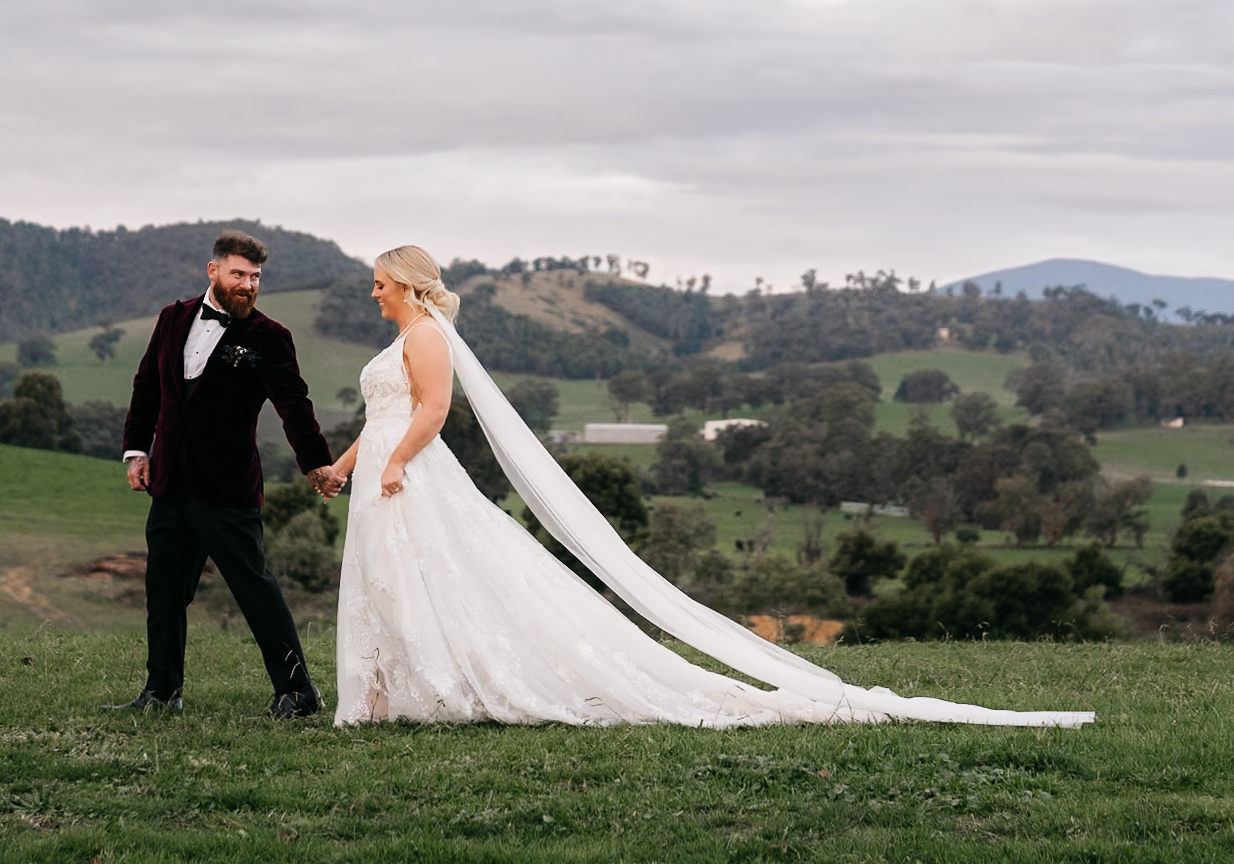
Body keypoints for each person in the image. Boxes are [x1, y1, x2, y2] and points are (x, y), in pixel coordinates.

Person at [322, 245, 1095, 729]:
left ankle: (414, 690)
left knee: (427, 575)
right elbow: (382, 414)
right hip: (385, 471)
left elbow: (431, 410)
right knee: (385, 580)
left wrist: (392, 465)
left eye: (380, 283)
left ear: (409, 287)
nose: (373, 292)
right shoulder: (399, 338)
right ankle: (385, 694)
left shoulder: (425, 335)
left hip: (412, 475)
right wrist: (349, 463)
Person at [106, 230, 340, 718]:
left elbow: (293, 403)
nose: (248, 285)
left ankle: (298, 693)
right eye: (238, 274)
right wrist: (136, 451)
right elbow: (147, 385)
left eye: (255, 277)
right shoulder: (173, 319)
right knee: (164, 590)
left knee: (254, 588)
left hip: (227, 488)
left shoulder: (270, 337)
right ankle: (162, 692)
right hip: (169, 482)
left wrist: (316, 463)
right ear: (213, 271)